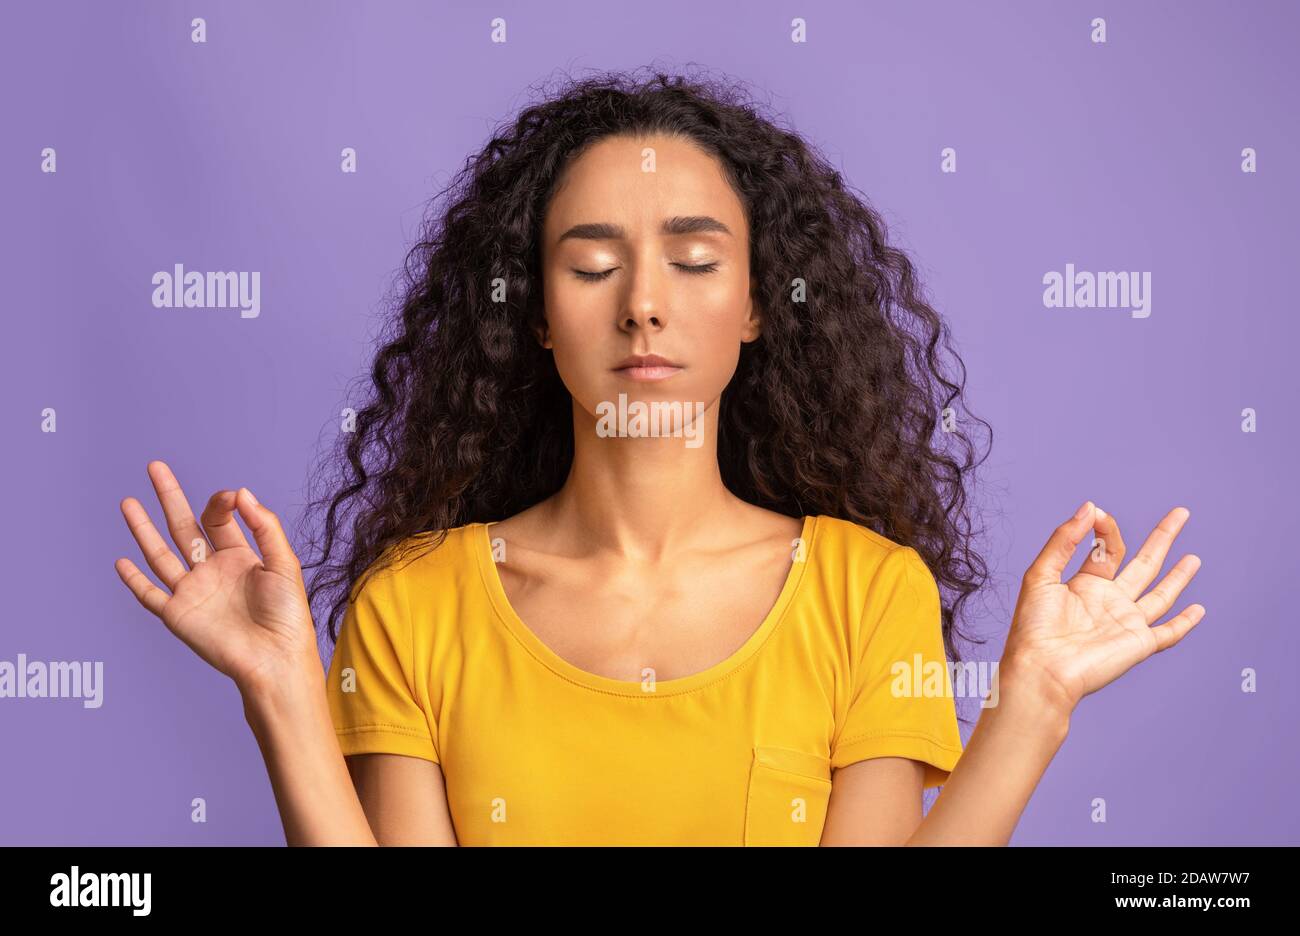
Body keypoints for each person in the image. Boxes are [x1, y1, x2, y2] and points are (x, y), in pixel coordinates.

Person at [113, 70, 1204, 846]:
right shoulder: (415, 600)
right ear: (536, 316)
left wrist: (1036, 704)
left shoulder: (868, 594)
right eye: (592, 267)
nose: (643, 306)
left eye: (691, 262)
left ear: (756, 311)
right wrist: (282, 691)